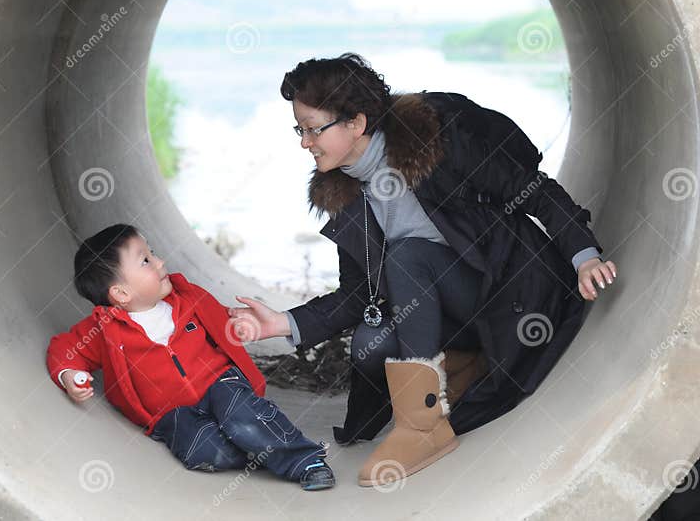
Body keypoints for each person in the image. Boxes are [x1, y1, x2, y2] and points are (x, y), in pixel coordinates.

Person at [228, 53, 618, 487]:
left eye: (313, 129)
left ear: (356, 123)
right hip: (448, 310)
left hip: (508, 294)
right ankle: (460, 364)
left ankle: (421, 428)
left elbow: (534, 191)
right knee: (371, 343)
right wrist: (282, 323)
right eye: (299, 129)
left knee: (408, 255)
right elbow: (359, 295)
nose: (304, 142)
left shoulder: (437, 145)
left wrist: (584, 256)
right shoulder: (346, 193)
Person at [46, 224, 335, 491]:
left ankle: (304, 460)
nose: (159, 262)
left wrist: (245, 324)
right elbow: (64, 349)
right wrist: (69, 374)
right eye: (145, 260)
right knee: (203, 451)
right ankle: (255, 444)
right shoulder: (104, 330)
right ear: (121, 292)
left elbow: (221, 320)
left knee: (240, 415)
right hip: (174, 415)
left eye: (153, 253)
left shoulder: (186, 300)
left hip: (219, 382)